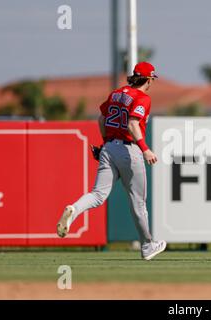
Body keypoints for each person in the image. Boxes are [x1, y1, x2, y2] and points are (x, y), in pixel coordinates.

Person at [56, 62, 166, 261]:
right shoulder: (142, 98)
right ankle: (147, 246)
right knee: (138, 203)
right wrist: (145, 149)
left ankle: (74, 210)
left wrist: (106, 143)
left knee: (97, 195)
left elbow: (101, 119)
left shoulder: (116, 93)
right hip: (129, 149)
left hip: (109, 147)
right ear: (149, 79)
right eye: (151, 79)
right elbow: (133, 123)